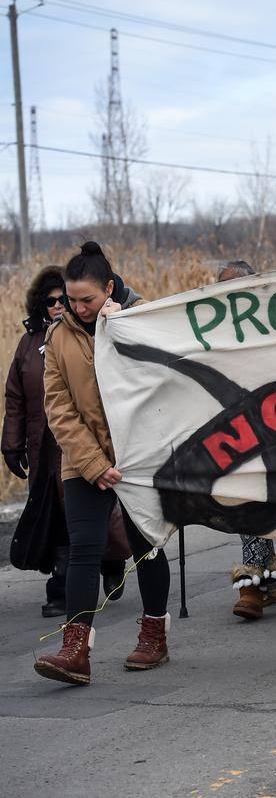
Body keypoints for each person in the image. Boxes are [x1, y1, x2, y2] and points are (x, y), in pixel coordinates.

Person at [34, 242, 172, 686]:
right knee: (84, 548)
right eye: (71, 300)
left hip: (138, 455)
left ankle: (154, 633)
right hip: (83, 460)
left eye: (86, 299)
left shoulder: (141, 321)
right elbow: (58, 409)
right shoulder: (57, 338)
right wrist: (93, 463)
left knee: (145, 543)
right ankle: (76, 649)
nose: (77, 307)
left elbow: (164, 383)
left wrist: (122, 331)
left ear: (109, 288)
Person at [209, 260, 276, 621]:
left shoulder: (274, 324)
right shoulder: (210, 331)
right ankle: (255, 582)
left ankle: (266, 578)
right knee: (246, 500)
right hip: (236, 430)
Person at [4, 266, 77, 617]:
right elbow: (15, 398)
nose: (59, 306)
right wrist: (11, 445)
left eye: (65, 299)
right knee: (53, 516)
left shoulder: (85, 334)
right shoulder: (29, 344)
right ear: (40, 305)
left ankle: (106, 564)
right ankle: (60, 586)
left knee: (84, 513)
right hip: (43, 449)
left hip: (79, 446)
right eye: (52, 302)